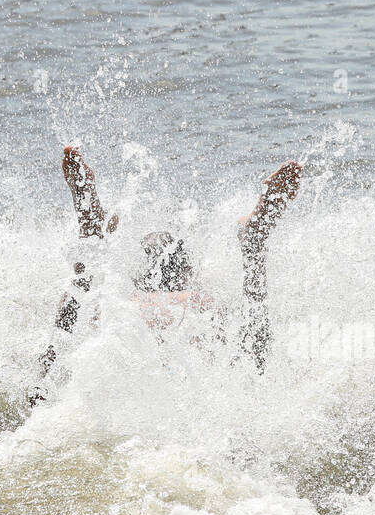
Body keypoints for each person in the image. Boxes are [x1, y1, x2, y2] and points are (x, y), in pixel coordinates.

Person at [28, 147, 302, 405]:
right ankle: (253, 248)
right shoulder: (199, 300)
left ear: (140, 276)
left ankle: (91, 238)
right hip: (189, 396)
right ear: (187, 272)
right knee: (255, 357)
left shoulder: (117, 304)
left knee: (60, 341)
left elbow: (59, 347)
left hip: (117, 389)